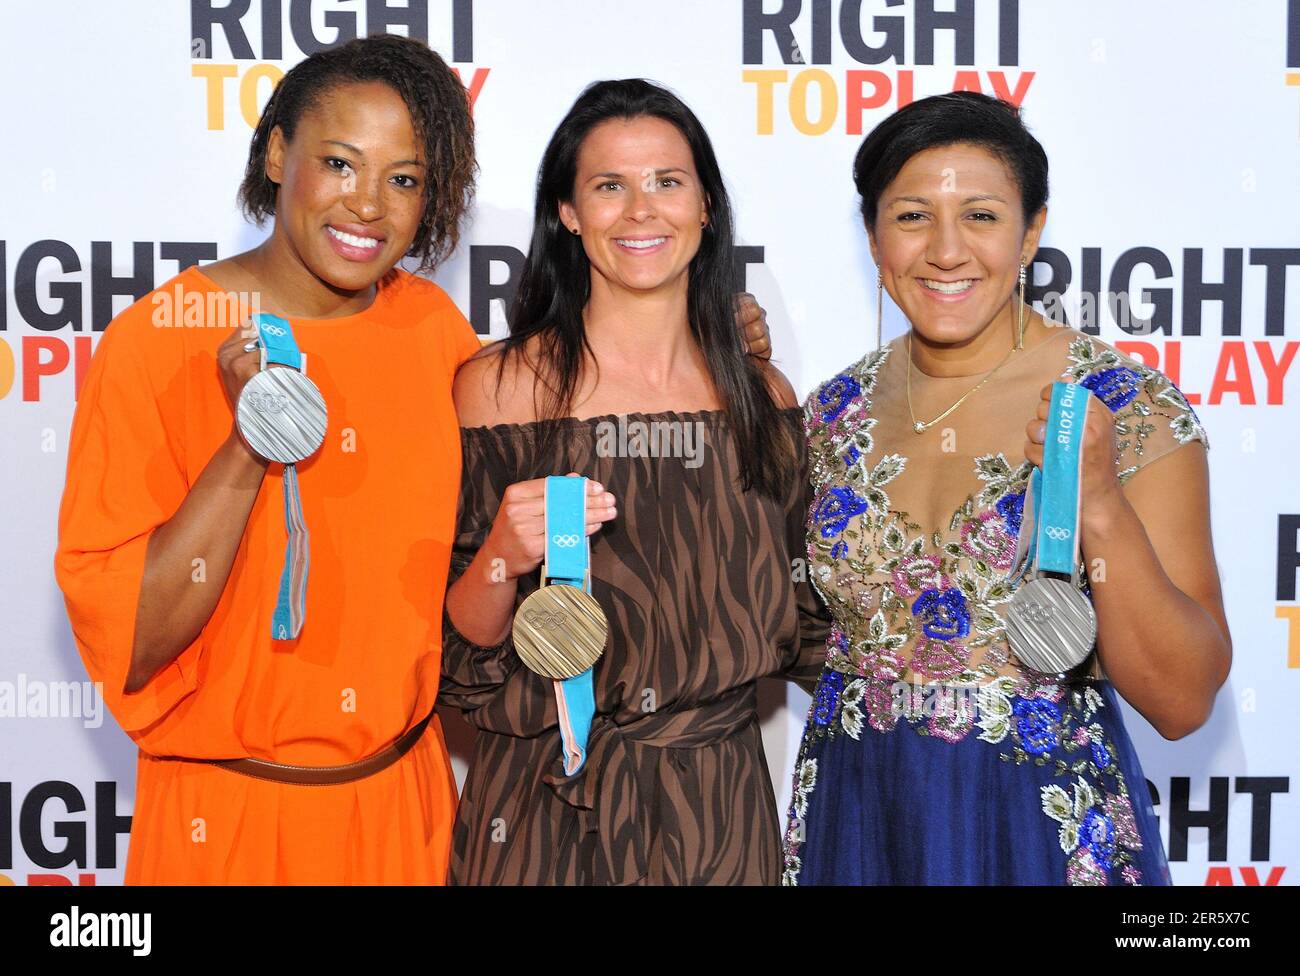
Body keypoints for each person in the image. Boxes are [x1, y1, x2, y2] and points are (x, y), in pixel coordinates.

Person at [53, 34, 481, 884]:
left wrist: (706, 340)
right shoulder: (154, 341)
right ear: (279, 152)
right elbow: (134, 641)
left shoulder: (433, 330)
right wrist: (254, 439)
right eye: (340, 163)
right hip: (226, 826)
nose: (369, 205)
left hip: (404, 810)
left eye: (404, 179)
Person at [781, 91, 1231, 885]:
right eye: (913, 216)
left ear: (1031, 232)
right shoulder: (829, 414)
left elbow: (1183, 698)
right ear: (873, 236)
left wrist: (1101, 507)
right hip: (860, 822)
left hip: (1038, 830)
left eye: (982, 216)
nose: (946, 251)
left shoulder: (1123, 406)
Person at [440, 79, 830, 885]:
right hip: (542, 798)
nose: (641, 210)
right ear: (569, 213)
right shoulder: (498, 389)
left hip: (719, 805)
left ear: (706, 207)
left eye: (667, 181)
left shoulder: (763, 398)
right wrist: (501, 560)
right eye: (609, 186)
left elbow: (808, 620)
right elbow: (462, 646)